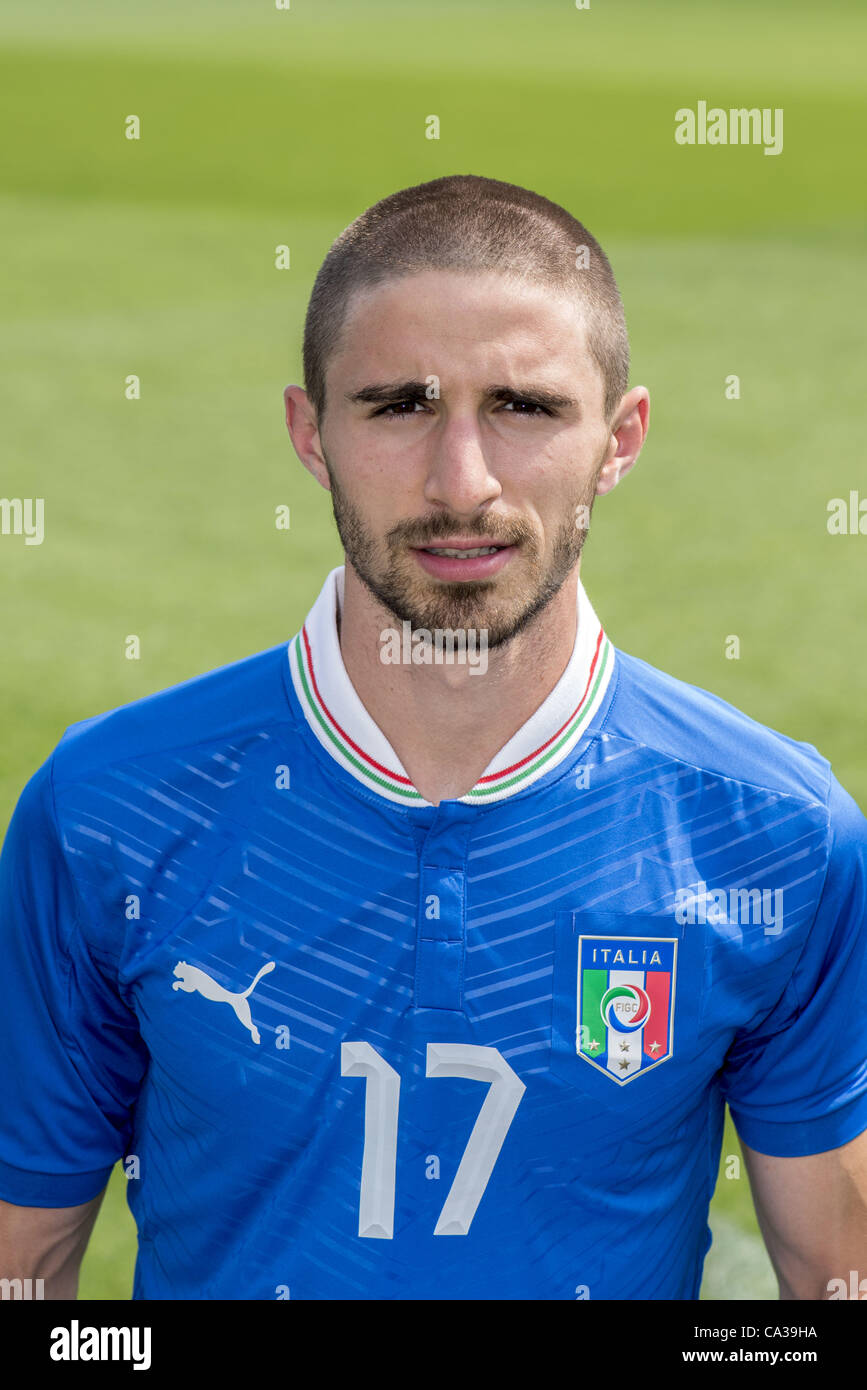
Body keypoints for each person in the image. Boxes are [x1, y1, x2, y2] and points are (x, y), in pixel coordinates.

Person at [1, 175, 865, 1301]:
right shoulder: (107, 808)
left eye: (525, 406)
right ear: (311, 434)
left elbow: (831, 1287)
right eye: (400, 404)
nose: (463, 483)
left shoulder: (778, 839)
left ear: (621, 437)